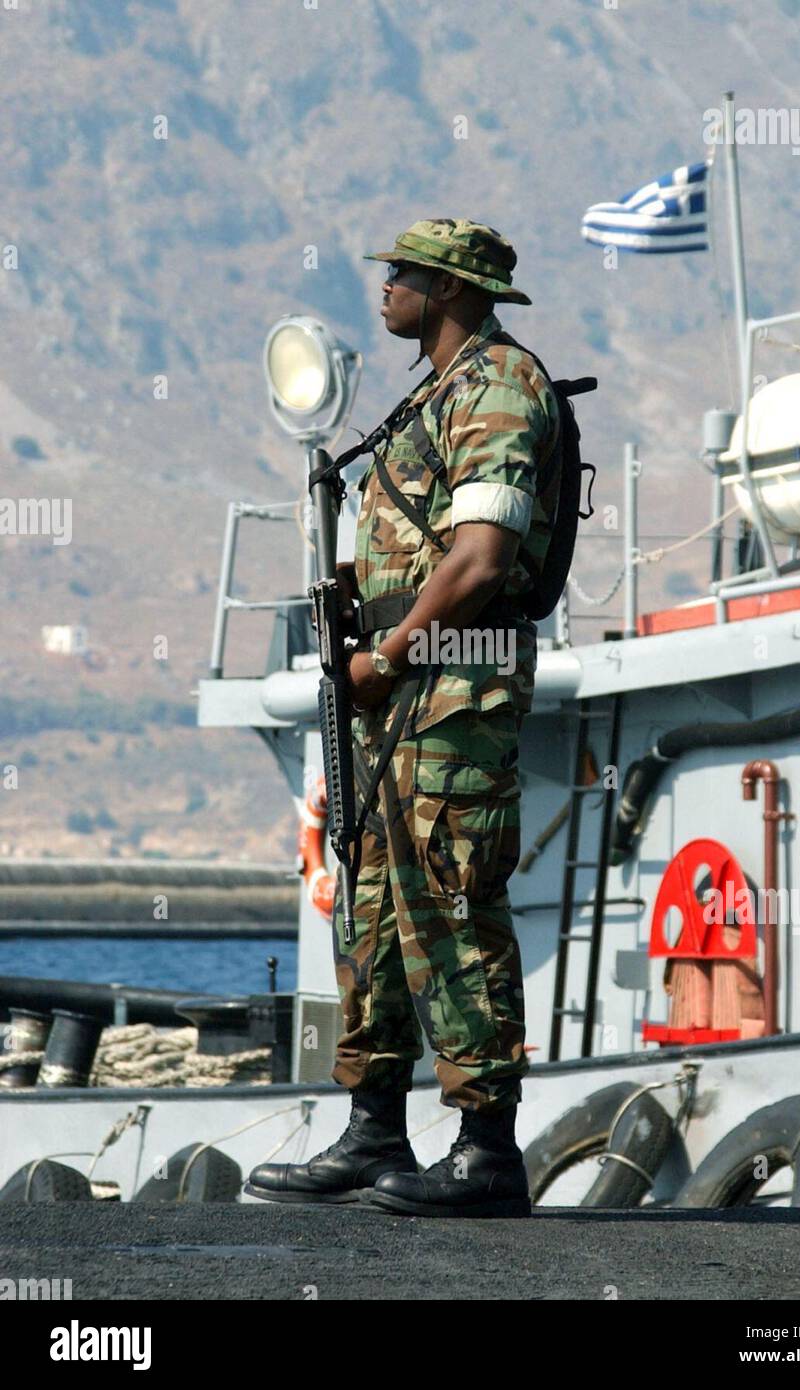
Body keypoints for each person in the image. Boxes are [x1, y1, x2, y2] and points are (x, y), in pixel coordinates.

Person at [246, 218, 561, 1218]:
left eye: (405, 273)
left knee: (454, 891)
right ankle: (374, 1123)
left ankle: (485, 1148)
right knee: (374, 897)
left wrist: (389, 649)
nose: (384, 286)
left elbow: (480, 558)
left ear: (453, 288)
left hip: (451, 679)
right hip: (397, 687)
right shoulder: (433, 391)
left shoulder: (501, 386)